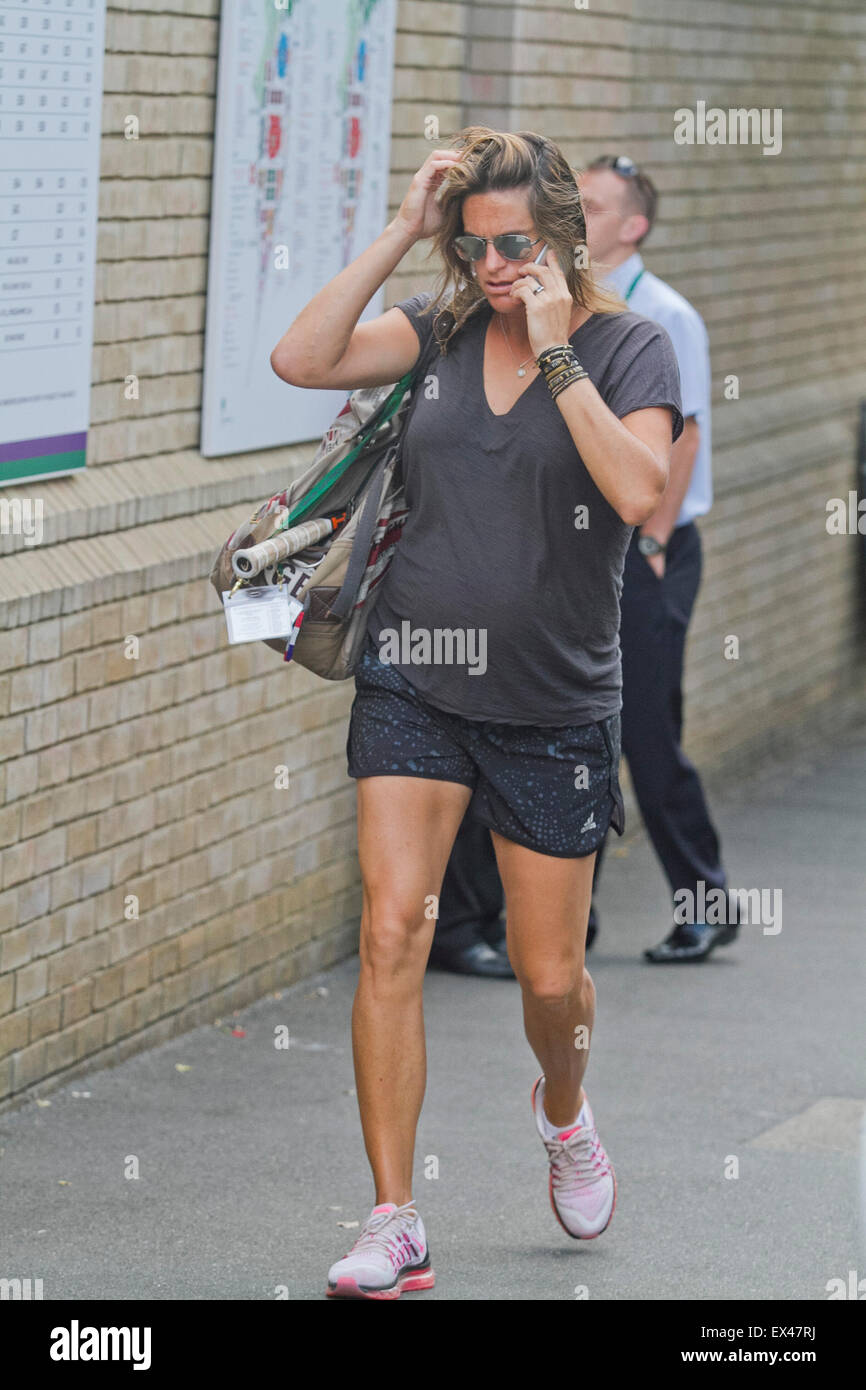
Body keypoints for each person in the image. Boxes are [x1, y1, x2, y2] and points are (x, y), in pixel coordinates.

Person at [270, 127, 683, 1299]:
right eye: (475, 245)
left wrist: (559, 358)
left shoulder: (627, 345)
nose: (494, 267)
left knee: (549, 982)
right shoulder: (439, 325)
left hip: (550, 703)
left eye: (514, 245)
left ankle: (563, 1111)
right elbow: (301, 361)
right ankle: (394, 1219)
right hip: (412, 676)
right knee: (392, 928)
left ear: (563, 233)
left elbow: (642, 491)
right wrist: (404, 229)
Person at [430, 152, 736, 972]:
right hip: (571, 554)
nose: (584, 220)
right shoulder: (535, 307)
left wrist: (659, 544)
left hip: (647, 550)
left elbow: (684, 434)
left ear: (630, 226)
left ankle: (705, 901)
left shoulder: (661, 317)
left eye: (597, 209)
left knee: (643, 735)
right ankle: (563, 922)